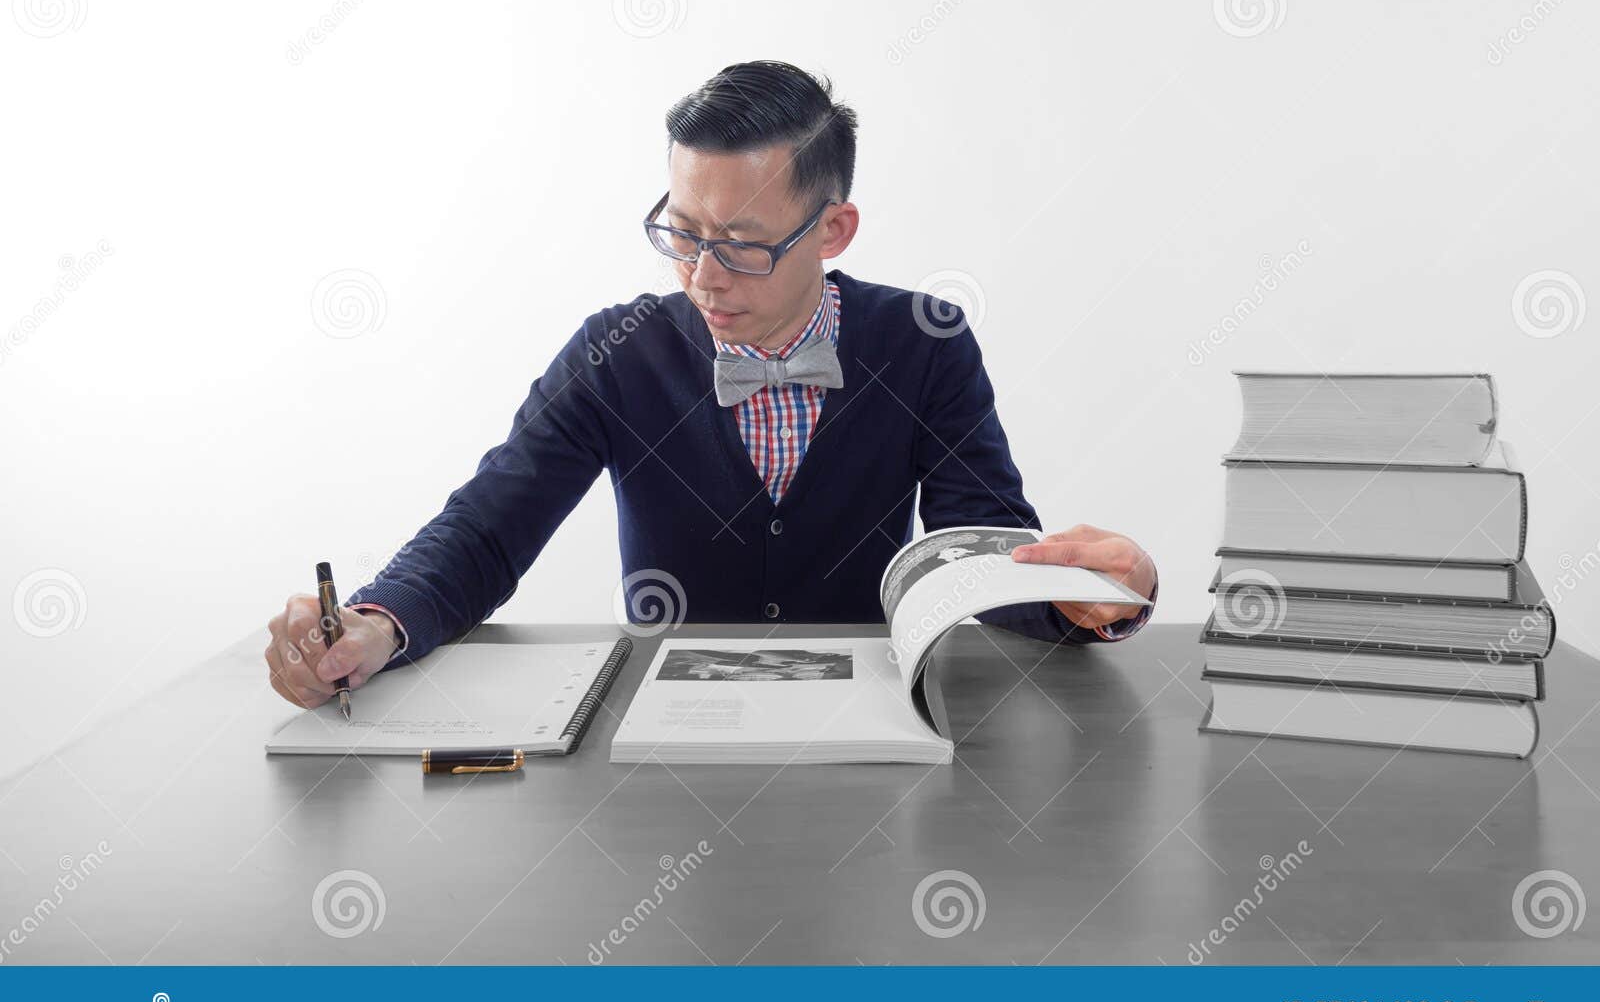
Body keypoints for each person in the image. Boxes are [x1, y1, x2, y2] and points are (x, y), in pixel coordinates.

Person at [264, 60, 1158, 709]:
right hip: (666, 741)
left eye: (741, 245)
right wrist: (377, 623)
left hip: (870, 733)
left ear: (833, 230)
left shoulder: (926, 343)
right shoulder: (616, 351)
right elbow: (485, 531)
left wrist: (1099, 595)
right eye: (683, 233)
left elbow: (978, 555)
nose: (703, 277)